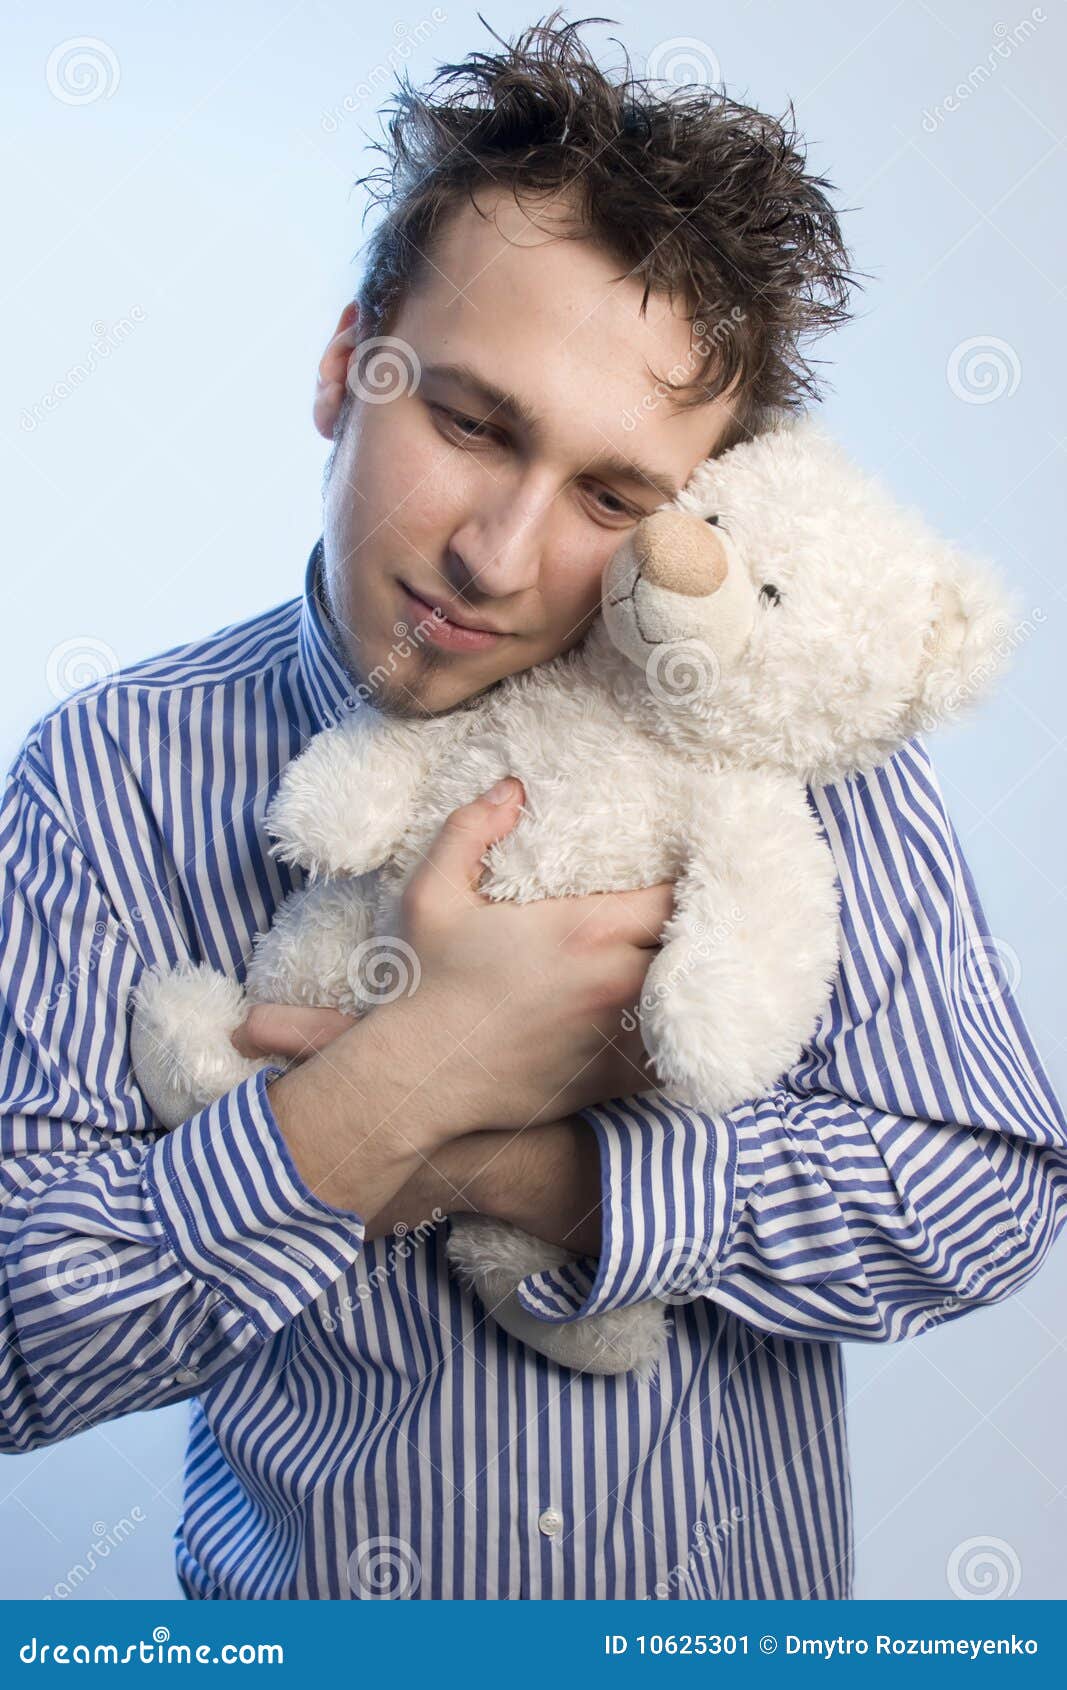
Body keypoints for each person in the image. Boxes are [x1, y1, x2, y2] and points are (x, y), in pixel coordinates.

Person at [2, 17, 1064, 1602]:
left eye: (612, 494)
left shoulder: (789, 744)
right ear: (342, 362)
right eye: (471, 422)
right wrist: (398, 1083)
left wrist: (526, 1161)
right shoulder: (107, 774)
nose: (496, 555)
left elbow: (991, 1183)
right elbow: (23, 1337)